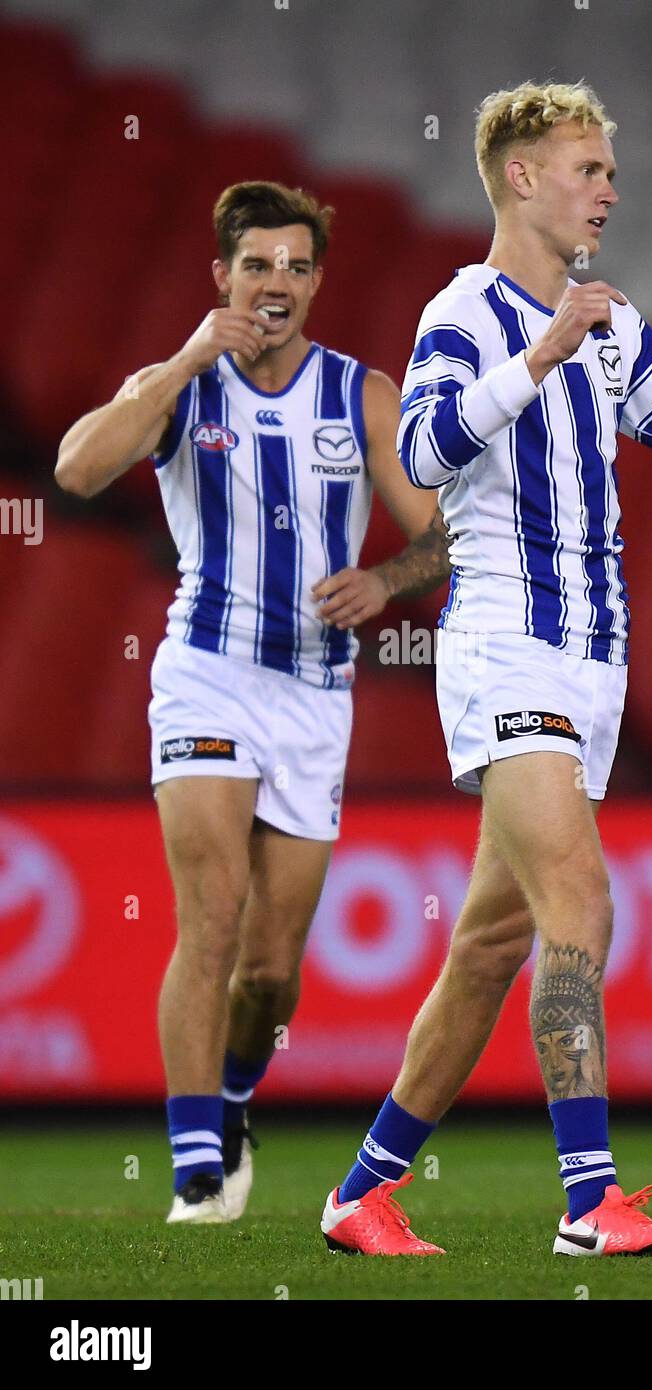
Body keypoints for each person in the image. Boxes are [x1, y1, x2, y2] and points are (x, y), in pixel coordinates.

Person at [321, 81, 652, 1257]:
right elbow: (424, 448)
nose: (608, 185)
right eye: (587, 166)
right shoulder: (463, 311)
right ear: (517, 177)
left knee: (491, 943)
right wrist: (535, 357)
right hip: (505, 640)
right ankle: (586, 1200)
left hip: (593, 661)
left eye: (607, 168)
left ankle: (360, 1193)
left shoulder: (607, 319)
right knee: (580, 905)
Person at [56, 181, 451, 1224]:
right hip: (204, 671)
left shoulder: (360, 395)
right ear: (222, 276)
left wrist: (384, 581)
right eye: (257, 264)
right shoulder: (178, 386)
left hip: (314, 696)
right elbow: (76, 466)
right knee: (212, 914)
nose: (276, 282)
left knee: (271, 970)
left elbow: (440, 537)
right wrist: (186, 357)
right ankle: (194, 1164)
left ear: (317, 283)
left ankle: (231, 1101)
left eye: (295, 266)